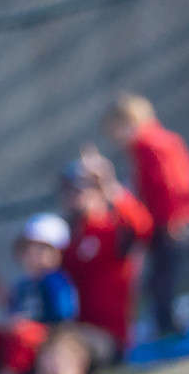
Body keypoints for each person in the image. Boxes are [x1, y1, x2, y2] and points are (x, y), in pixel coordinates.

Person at [108, 93, 189, 336]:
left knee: (163, 277)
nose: (115, 137)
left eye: (115, 129)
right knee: (164, 275)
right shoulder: (160, 141)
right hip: (171, 217)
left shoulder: (149, 145)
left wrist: (173, 219)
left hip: (169, 221)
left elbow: (171, 184)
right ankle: (165, 323)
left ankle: (167, 326)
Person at [60, 148, 152, 359]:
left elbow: (143, 227)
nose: (75, 197)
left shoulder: (110, 229)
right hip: (78, 329)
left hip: (110, 336)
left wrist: (110, 185)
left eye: (82, 189)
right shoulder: (68, 238)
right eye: (69, 191)